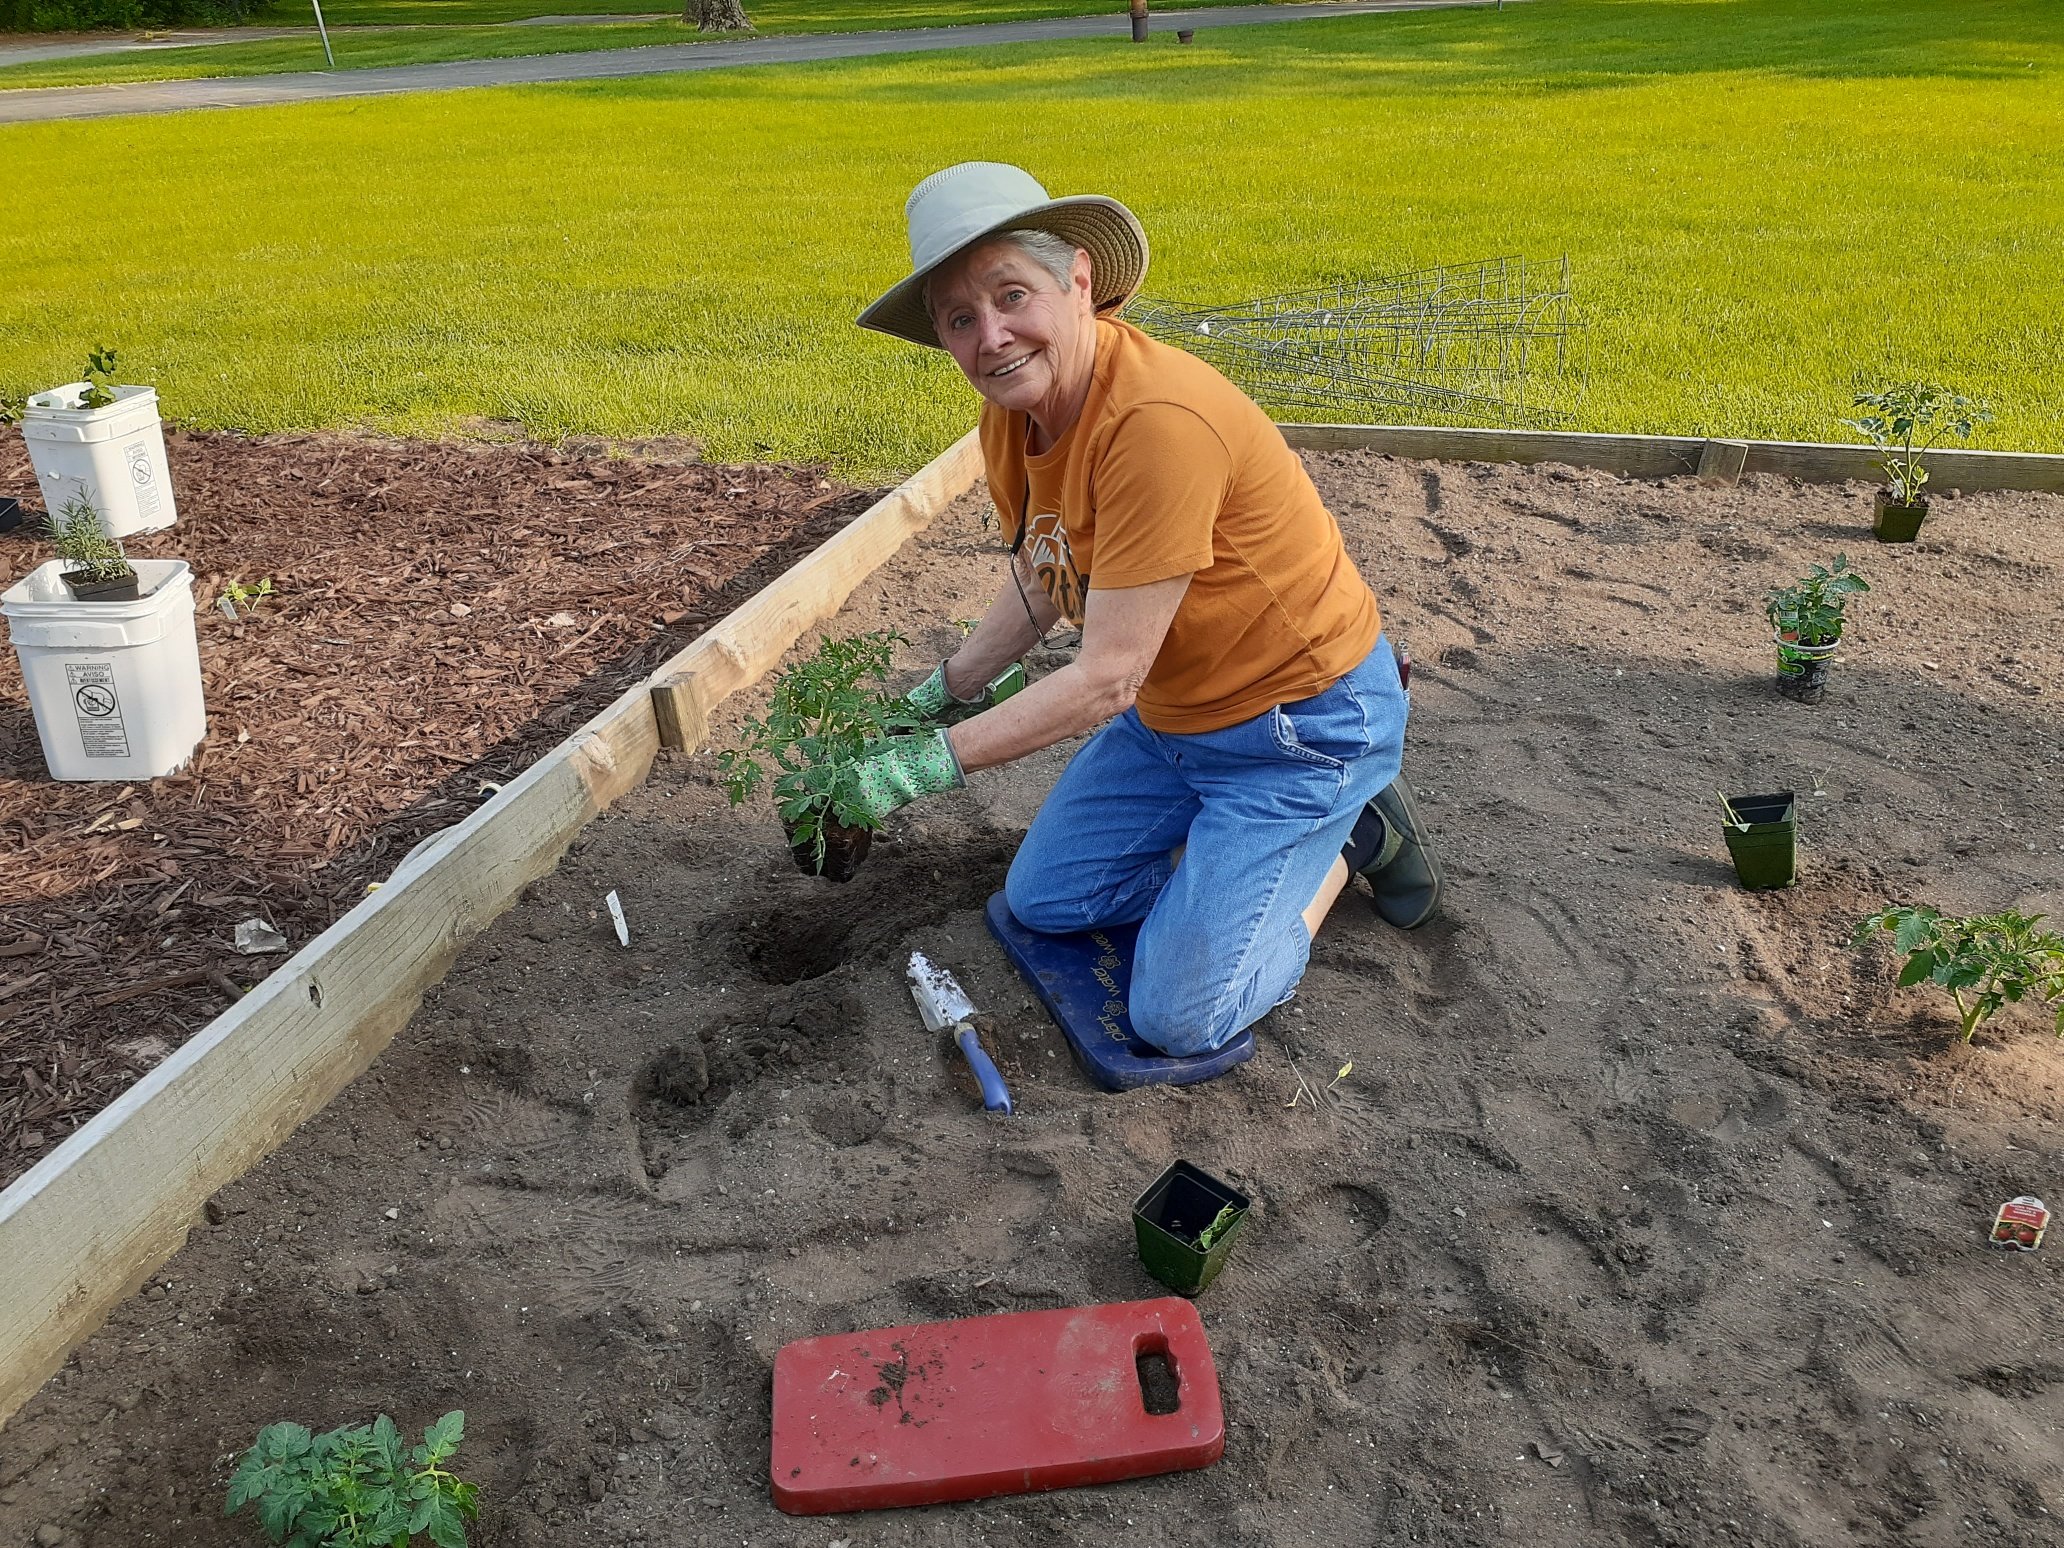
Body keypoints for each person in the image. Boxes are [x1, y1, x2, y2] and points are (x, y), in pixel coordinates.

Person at [843, 161, 1442, 1058]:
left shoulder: (1157, 422)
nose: (993, 336)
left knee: (1180, 1017)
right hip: (1176, 720)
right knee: (1046, 903)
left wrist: (916, 768)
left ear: (1080, 280)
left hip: (1300, 724)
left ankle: (1350, 839)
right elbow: (1049, 572)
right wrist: (942, 692)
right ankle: (1235, 863)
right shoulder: (1014, 417)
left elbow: (1106, 676)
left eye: (1013, 295)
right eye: (961, 319)